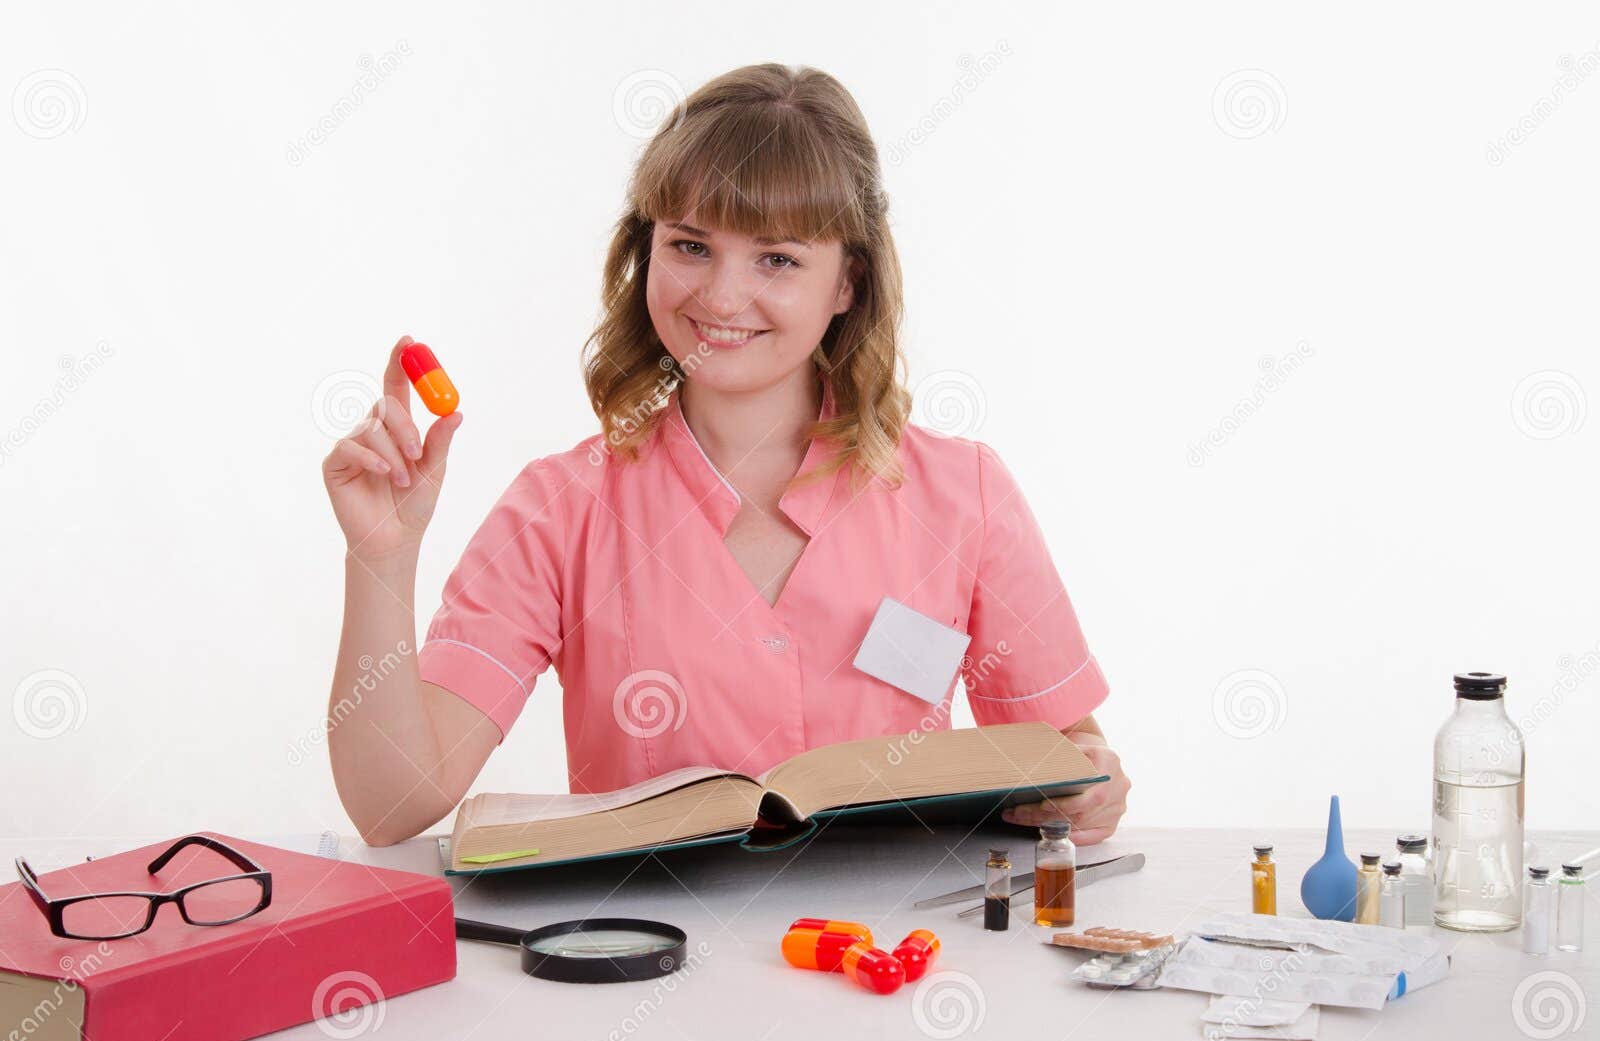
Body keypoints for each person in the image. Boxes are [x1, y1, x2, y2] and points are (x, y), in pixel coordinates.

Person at [322, 63, 1131, 847]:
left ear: (847, 282)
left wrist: (1089, 786)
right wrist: (381, 560)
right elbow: (391, 803)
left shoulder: (966, 494)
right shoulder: (559, 508)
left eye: (776, 258)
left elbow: (1067, 756)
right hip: (647, 955)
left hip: (888, 963)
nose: (719, 295)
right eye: (690, 246)